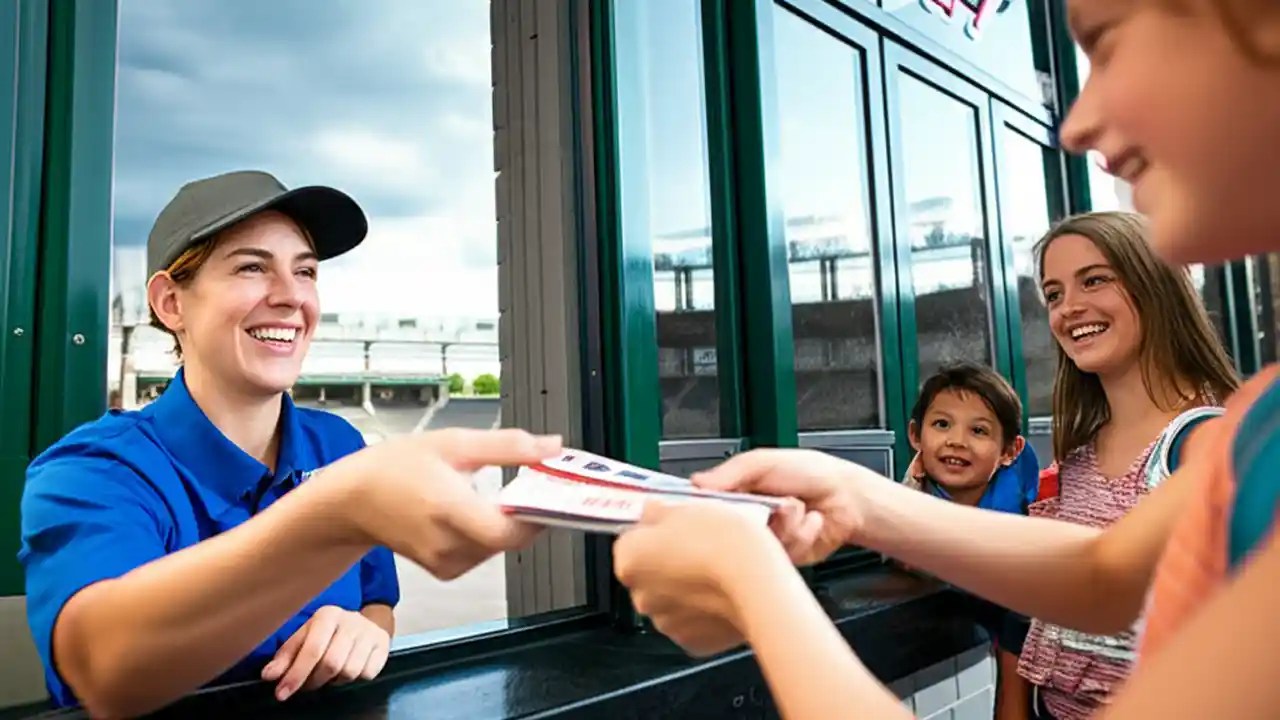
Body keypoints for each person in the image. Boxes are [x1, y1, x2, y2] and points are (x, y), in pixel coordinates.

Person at [612, 2, 1280, 717]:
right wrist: (855, 496)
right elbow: (1100, 572)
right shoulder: (1258, 422)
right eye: (1054, 291)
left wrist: (750, 583)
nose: (1078, 124)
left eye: (1107, 47)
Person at [18, 170, 562, 718]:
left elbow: (377, 604)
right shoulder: (93, 471)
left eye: (305, 271)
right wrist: (335, 515)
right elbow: (102, 668)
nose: (290, 296)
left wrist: (364, 633)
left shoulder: (340, 445)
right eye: (252, 267)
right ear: (170, 303)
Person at [1013, 211, 1235, 719]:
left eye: (1094, 280)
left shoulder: (1206, 441)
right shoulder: (1077, 455)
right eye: (1053, 294)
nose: (1069, 308)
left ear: (1155, 285)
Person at [901, 362, 1038, 720]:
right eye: (941, 424)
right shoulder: (912, 498)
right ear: (916, 435)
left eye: (978, 430)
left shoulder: (1024, 508)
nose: (956, 441)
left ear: (1010, 450)